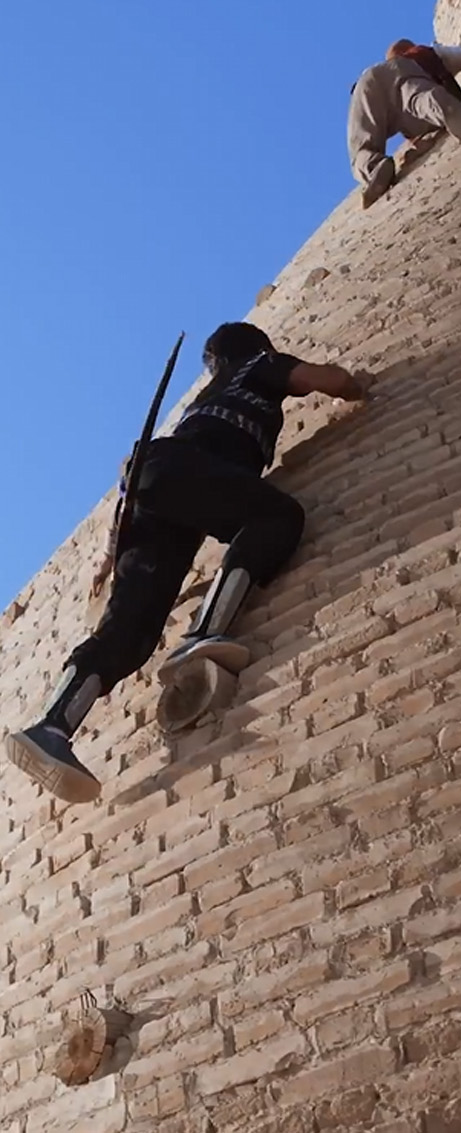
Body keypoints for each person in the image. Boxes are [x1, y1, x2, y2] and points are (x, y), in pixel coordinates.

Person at [5, 323, 372, 805]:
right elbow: (323, 379)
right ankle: (203, 636)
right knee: (275, 516)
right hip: (185, 473)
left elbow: (133, 489)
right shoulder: (258, 365)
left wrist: (109, 555)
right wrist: (354, 384)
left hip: (152, 485)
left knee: (131, 631)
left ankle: (51, 727)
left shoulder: (204, 402)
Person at [348, 39, 461, 209]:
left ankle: (373, 167)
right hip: (408, 76)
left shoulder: (379, 69)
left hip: (366, 83)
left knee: (362, 143)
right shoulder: (426, 54)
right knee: (418, 101)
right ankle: (439, 105)